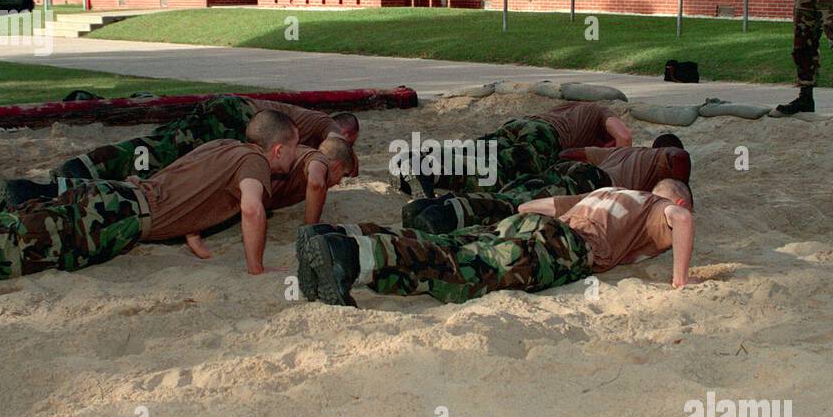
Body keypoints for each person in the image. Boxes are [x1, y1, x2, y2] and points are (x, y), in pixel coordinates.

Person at [0, 110, 300, 290]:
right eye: (294, 150)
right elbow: (252, 207)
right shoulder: (255, 165)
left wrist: (192, 236)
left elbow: (183, 187)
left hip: (112, 198)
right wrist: (256, 267)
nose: (295, 158)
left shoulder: (222, 149)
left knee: (6, 231)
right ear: (276, 149)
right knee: (5, 251)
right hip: (113, 217)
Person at [296, 178, 695, 307]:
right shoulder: (659, 207)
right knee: (464, 271)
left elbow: (532, 204)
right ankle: (347, 256)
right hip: (564, 246)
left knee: (449, 244)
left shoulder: (609, 192)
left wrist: (513, 221)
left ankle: (337, 236)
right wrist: (680, 278)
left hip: (530, 223)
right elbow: (681, 218)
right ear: (674, 196)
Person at [0, 96, 359, 211]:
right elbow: (321, 163)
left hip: (234, 120)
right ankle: (80, 170)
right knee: (160, 155)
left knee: (164, 162)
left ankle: (70, 181)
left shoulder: (305, 133)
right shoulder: (326, 130)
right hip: (233, 118)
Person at [403, 136, 691, 233]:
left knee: (515, 193)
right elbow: (680, 158)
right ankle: (444, 214)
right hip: (593, 182)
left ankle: (431, 205)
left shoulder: (624, 152)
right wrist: (681, 189)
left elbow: (568, 154)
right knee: (518, 206)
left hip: (572, 169)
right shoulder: (664, 157)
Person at [404, 101, 632, 197]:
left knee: (482, 149)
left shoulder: (572, 108)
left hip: (520, 124)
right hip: (545, 135)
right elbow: (624, 137)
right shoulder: (603, 112)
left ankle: (425, 158)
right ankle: (435, 173)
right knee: (506, 170)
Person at [270, 137, 357, 226]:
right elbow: (316, 184)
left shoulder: (304, 155)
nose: (339, 182)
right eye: (343, 175)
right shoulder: (318, 159)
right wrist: (312, 227)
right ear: (336, 166)